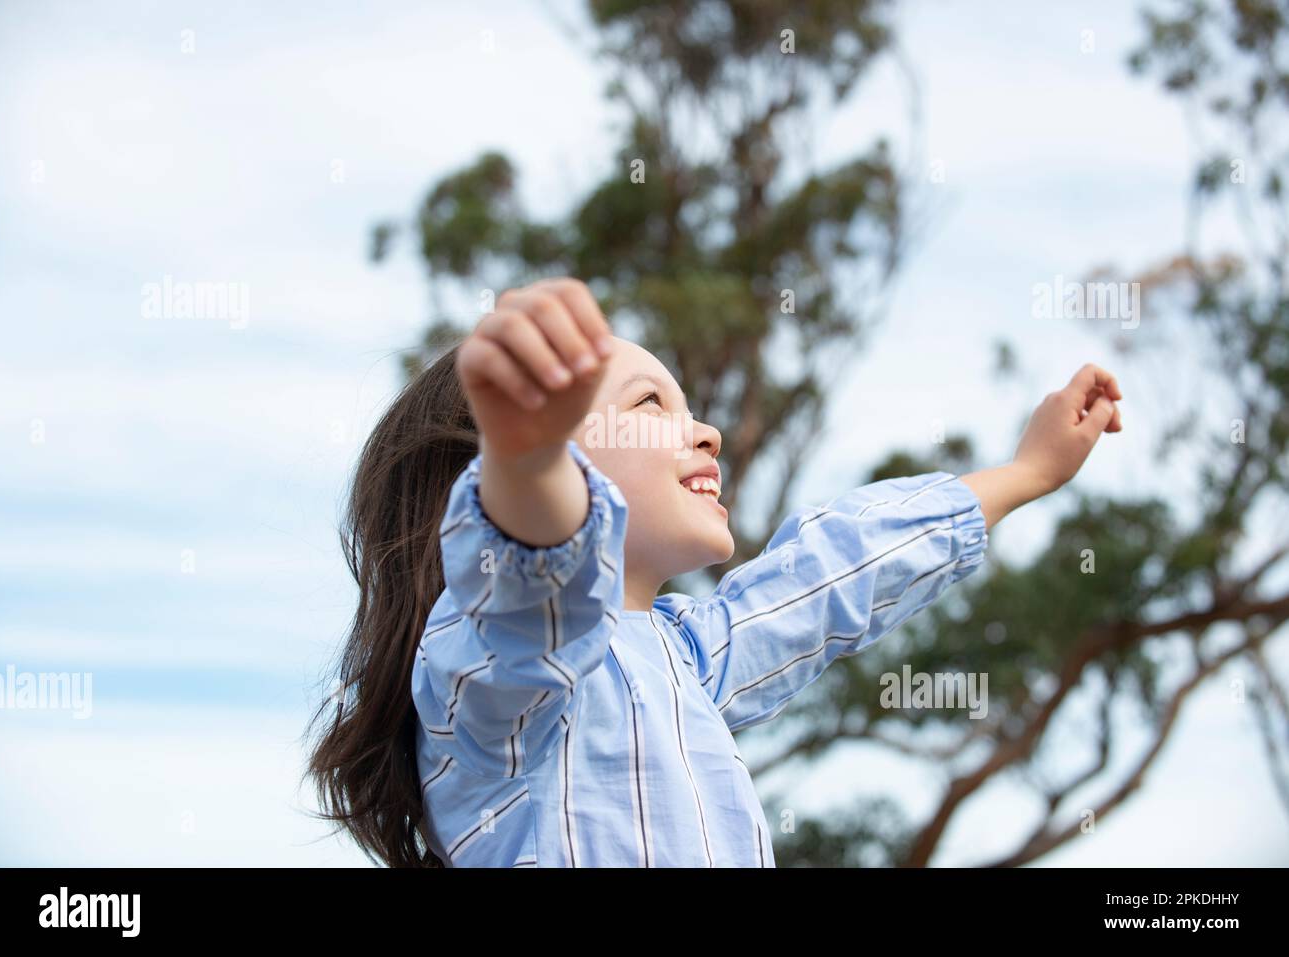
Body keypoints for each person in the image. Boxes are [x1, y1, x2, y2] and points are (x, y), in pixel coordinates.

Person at [308, 276, 1123, 867]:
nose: (707, 433)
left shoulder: (689, 659)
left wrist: (1024, 474)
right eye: (649, 406)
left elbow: (833, 574)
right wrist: (527, 464)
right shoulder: (487, 687)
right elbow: (524, 589)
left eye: (689, 404)